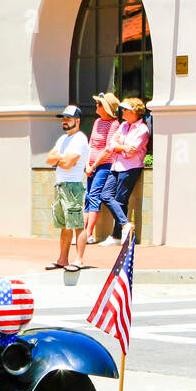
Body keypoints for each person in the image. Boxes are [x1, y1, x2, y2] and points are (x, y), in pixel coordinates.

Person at [98, 97, 149, 243]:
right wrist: (122, 147)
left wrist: (120, 146)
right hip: (116, 166)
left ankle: (116, 236)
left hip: (130, 168)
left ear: (135, 112)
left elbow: (130, 152)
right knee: (105, 195)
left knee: (121, 200)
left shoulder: (142, 129)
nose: (123, 112)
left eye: (126, 109)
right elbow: (111, 145)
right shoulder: (123, 126)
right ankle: (125, 225)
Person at [45, 105, 90, 271]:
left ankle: (79, 260)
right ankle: (62, 259)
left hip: (73, 187)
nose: (64, 121)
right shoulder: (62, 140)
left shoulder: (80, 139)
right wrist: (61, 158)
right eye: (63, 118)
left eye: (68, 118)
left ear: (77, 121)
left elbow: (68, 163)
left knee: (77, 224)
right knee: (64, 225)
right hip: (60, 185)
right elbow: (49, 159)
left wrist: (60, 158)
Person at [84, 92, 123, 246]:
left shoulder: (114, 125)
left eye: (100, 104)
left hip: (104, 165)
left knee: (94, 195)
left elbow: (108, 149)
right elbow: (91, 144)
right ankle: (83, 232)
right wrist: (88, 164)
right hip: (92, 165)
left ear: (106, 108)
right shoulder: (97, 122)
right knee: (87, 196)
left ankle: (88, 233)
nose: (97, 106)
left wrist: (94, 165)